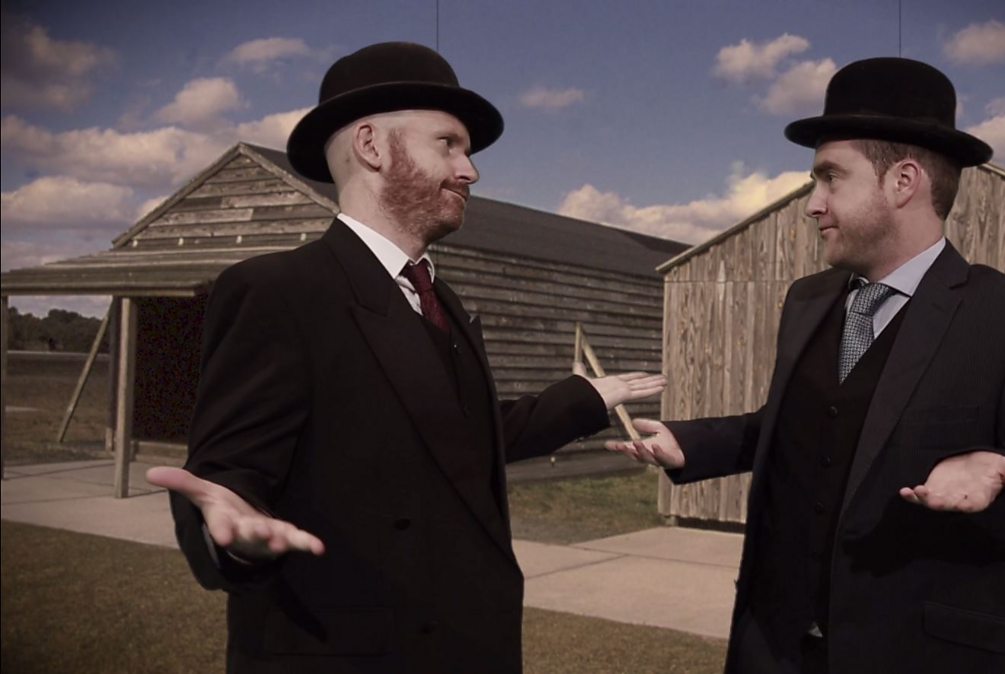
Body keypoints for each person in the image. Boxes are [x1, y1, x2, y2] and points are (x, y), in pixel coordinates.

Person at [147, 42, 664, 673]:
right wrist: (232, 533)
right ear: (371, 145)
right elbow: (227, 475)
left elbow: (458, 439)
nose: (470, 171)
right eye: (448, 144)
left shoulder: (440, 299)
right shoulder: (278, 291)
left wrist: (584, 399)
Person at [608, 57, 1005, 674]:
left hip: (921, 657)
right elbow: (801, 427)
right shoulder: (807, 301)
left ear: (903, 182)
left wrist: (997, 480)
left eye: (830, 179)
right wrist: (692, 444)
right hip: (775, 648)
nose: (814, 204)